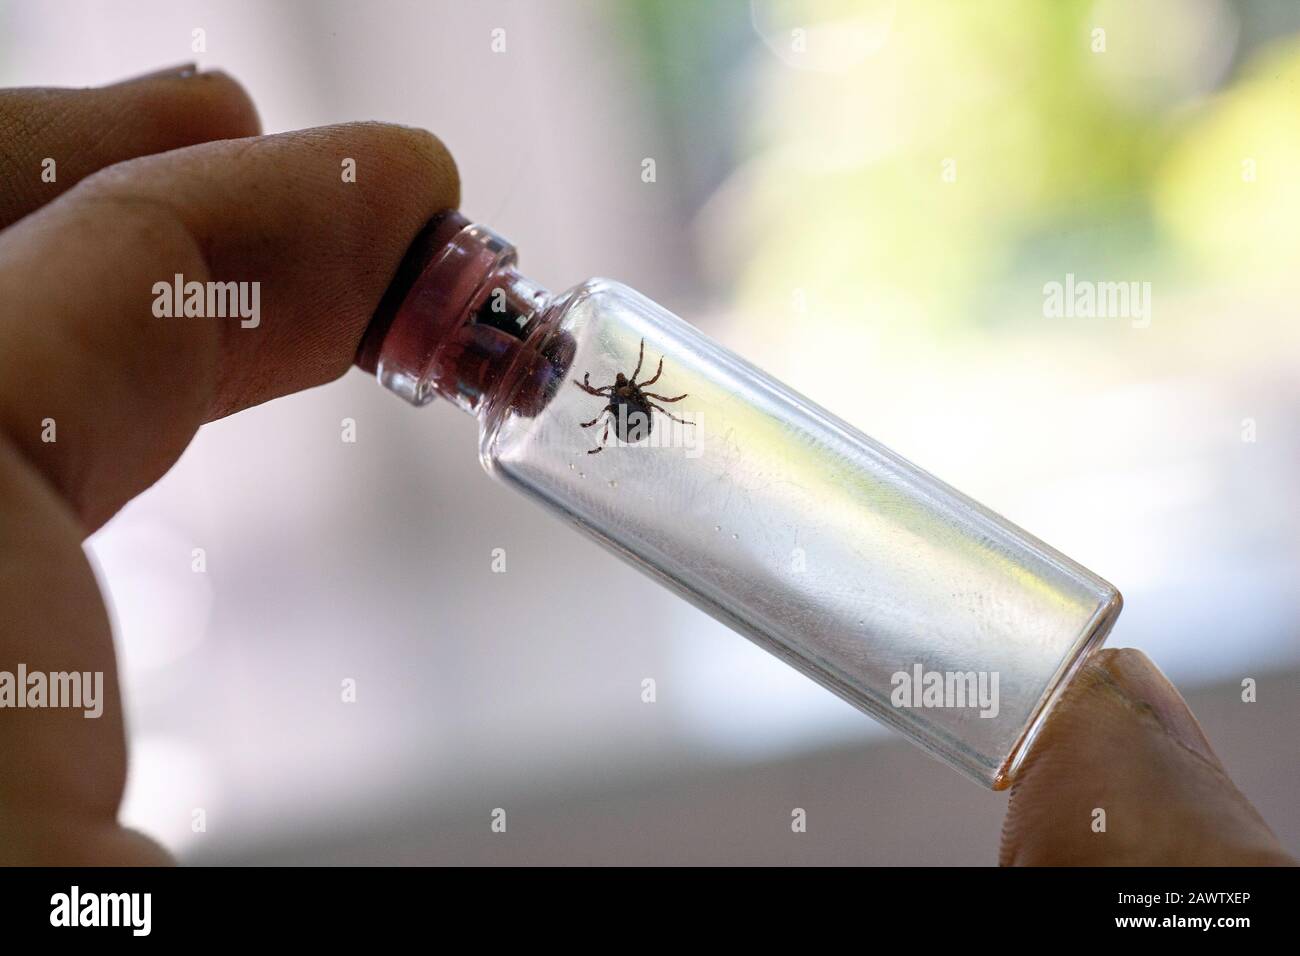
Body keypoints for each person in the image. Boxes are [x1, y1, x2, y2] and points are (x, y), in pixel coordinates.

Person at [0, 66, 1290, 866]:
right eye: (478, 332)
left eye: (486, 314)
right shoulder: (530, 435)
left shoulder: (595, 339)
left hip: (1022, 650)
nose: (499, 344)